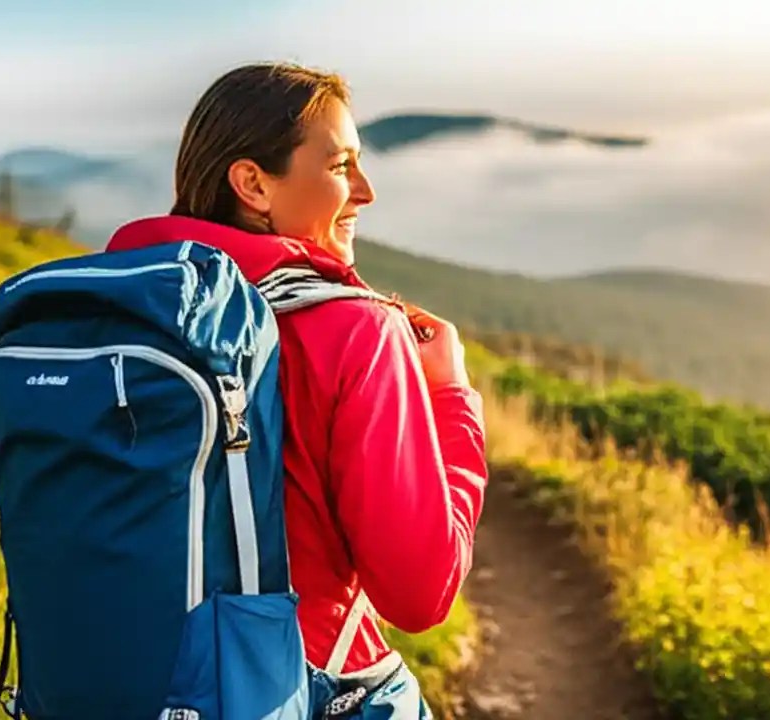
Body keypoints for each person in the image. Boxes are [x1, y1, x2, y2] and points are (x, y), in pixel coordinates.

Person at [104, 61, 488, 711]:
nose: (365, 192)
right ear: (252, 183)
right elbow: (421, 595)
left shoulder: (121, 316)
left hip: (126, 676)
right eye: (341, 166)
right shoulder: (355, 332)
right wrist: (450, 399)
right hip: (295, 687)